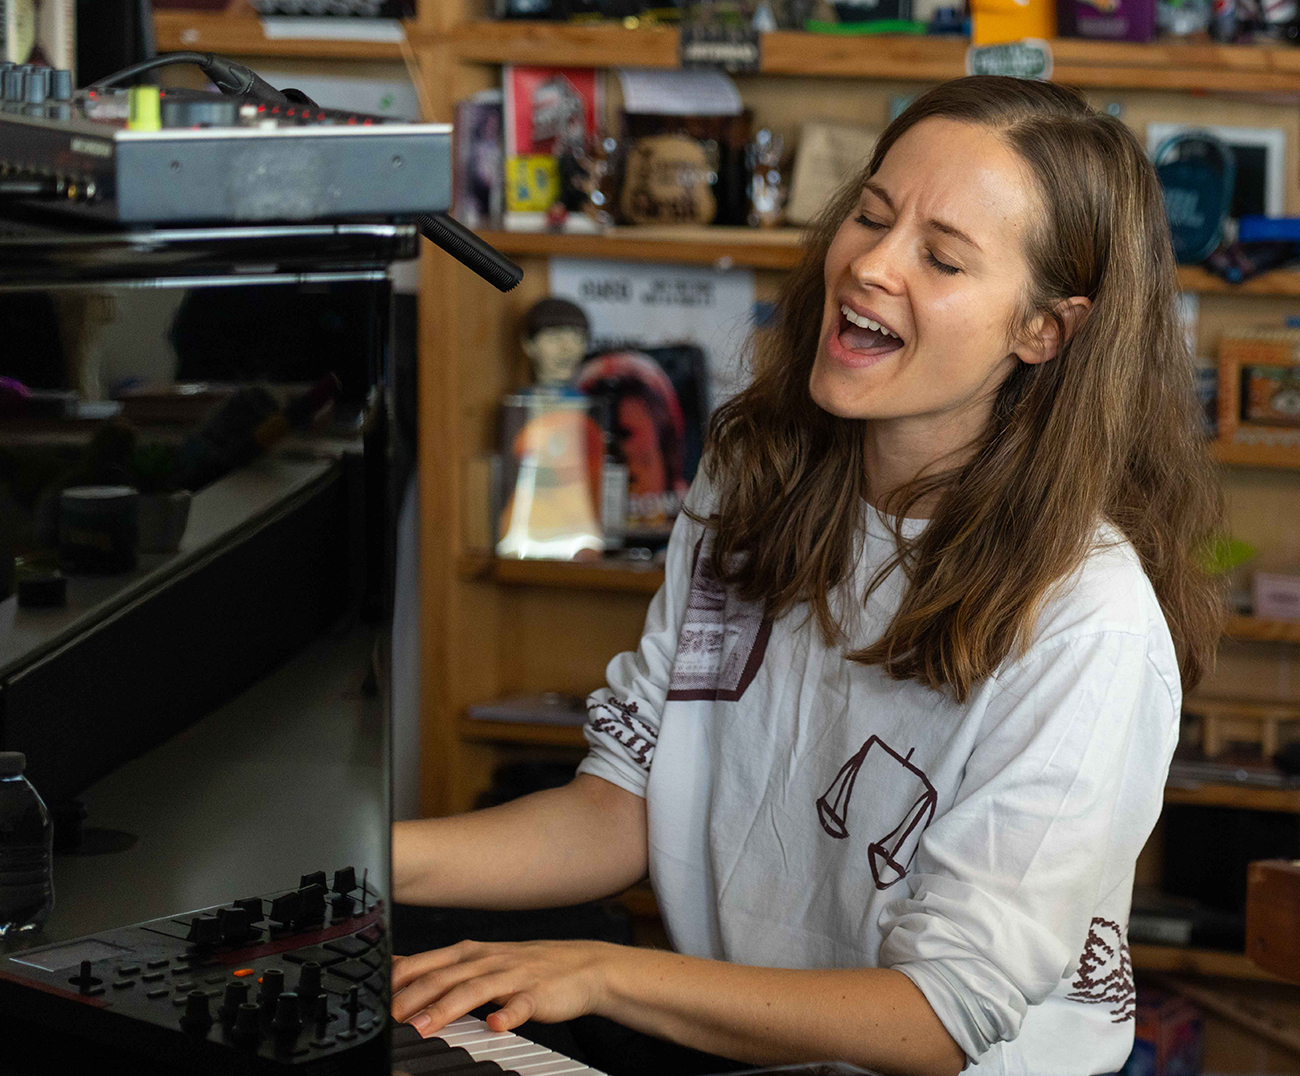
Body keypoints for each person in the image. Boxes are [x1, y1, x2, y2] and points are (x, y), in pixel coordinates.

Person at [391, 75, 1224, 1076]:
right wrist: (353, 859)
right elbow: (628, 800)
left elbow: (937, 1017)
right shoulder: (751, 477)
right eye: (871, 215)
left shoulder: (1089, 617)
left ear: (1043, 329)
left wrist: (604, 972)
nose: (870, 263)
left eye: (941, 256)